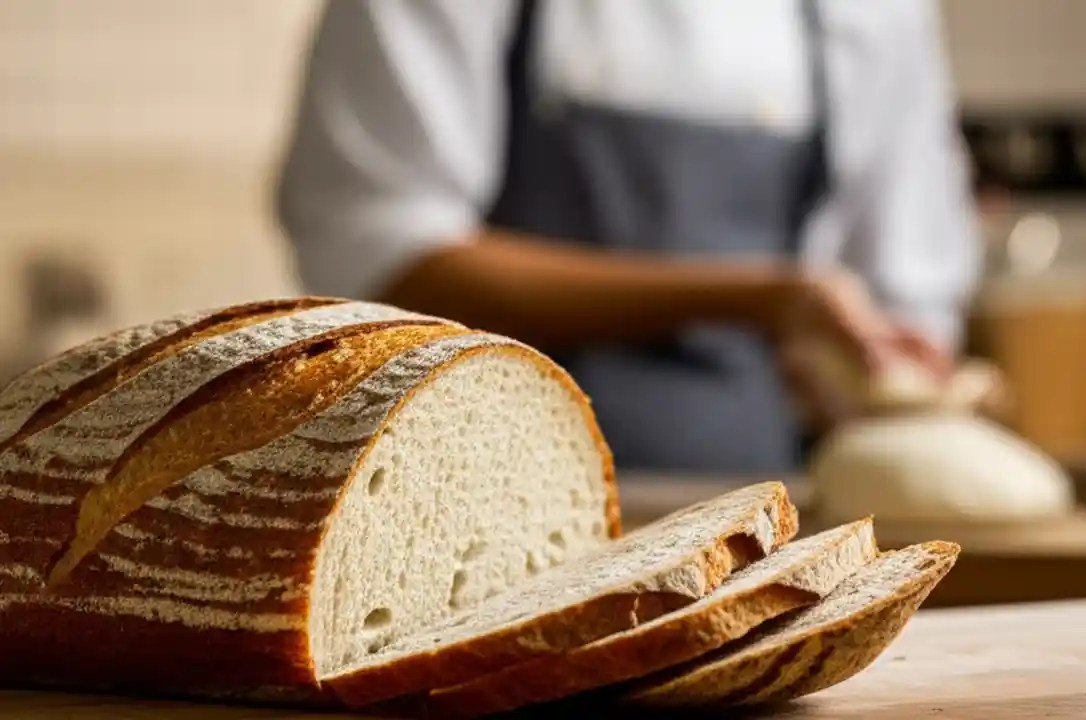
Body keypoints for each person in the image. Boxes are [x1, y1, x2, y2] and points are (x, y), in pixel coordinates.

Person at [276, 0, 979, 474]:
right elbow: (385, 256)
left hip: (772, 518)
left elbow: (905, 289)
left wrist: (878, 365)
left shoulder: (874, 16)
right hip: (479, 512)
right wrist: (764, 300)